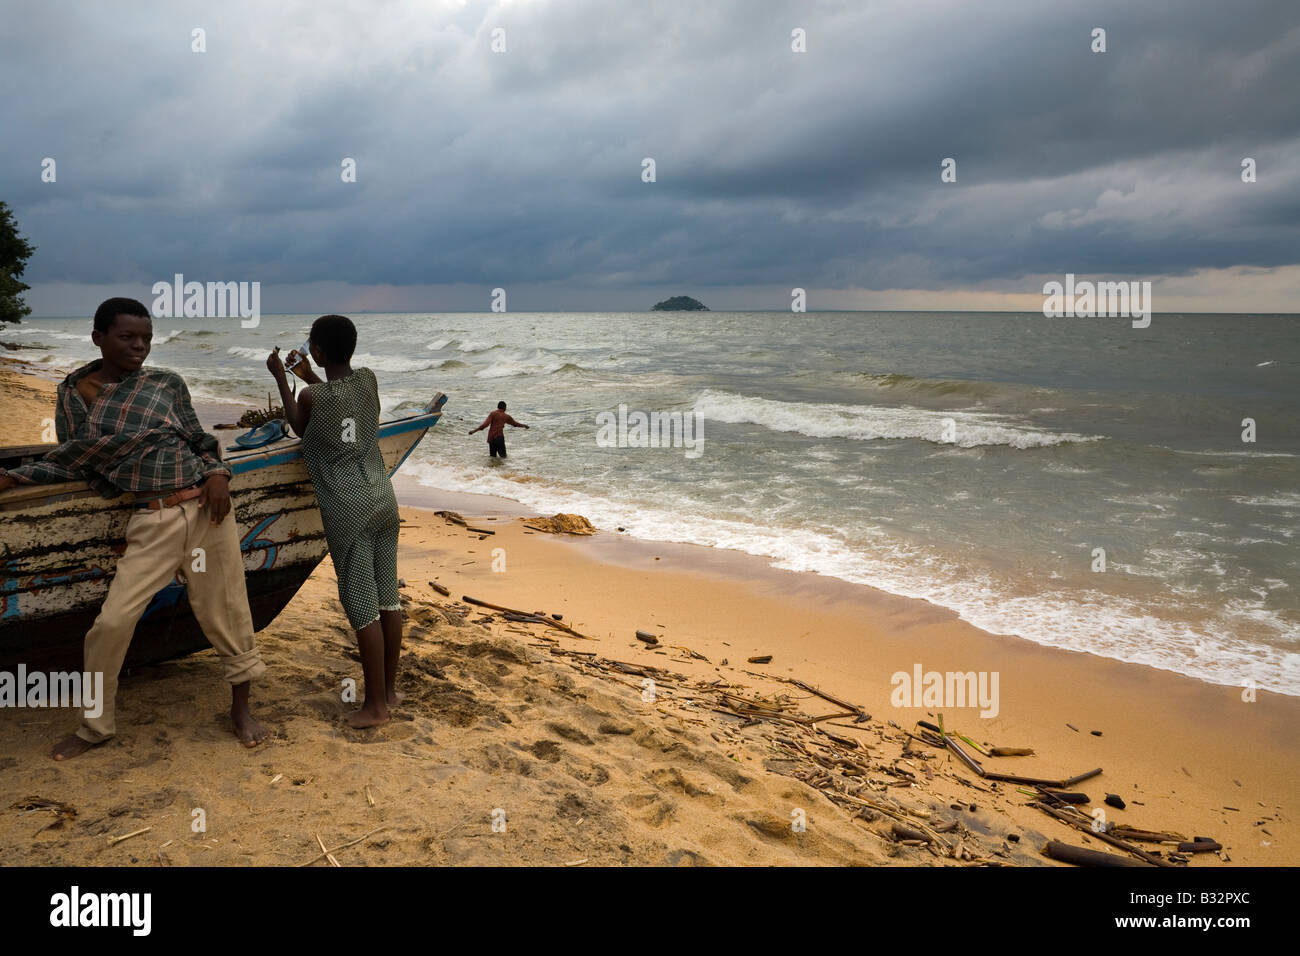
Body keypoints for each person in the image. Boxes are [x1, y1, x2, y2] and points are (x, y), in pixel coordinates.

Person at [0, 297, 268, 759]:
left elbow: (199, 440)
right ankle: (95, 728)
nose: (139, 346)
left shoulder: (165, 384)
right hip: (153, 518)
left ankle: (241, 711)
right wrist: (18, 475)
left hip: (208, 511)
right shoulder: (74, 395)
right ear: (98, 338)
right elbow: (78, 460)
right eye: (127, 337)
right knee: (112, 623)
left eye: (146, 337)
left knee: (229, 612)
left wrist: (219, 473)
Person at [266, 315, 403, 728]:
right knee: (388, 599)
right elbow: (338, 401)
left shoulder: (311, 396)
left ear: (319, 351)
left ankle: (375, 707)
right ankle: (390, 693)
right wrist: (309, 374)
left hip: (347, 507)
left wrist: (282, 379)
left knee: (362, 606)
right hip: (382, 497)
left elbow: (298, 421)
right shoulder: (368, 380)